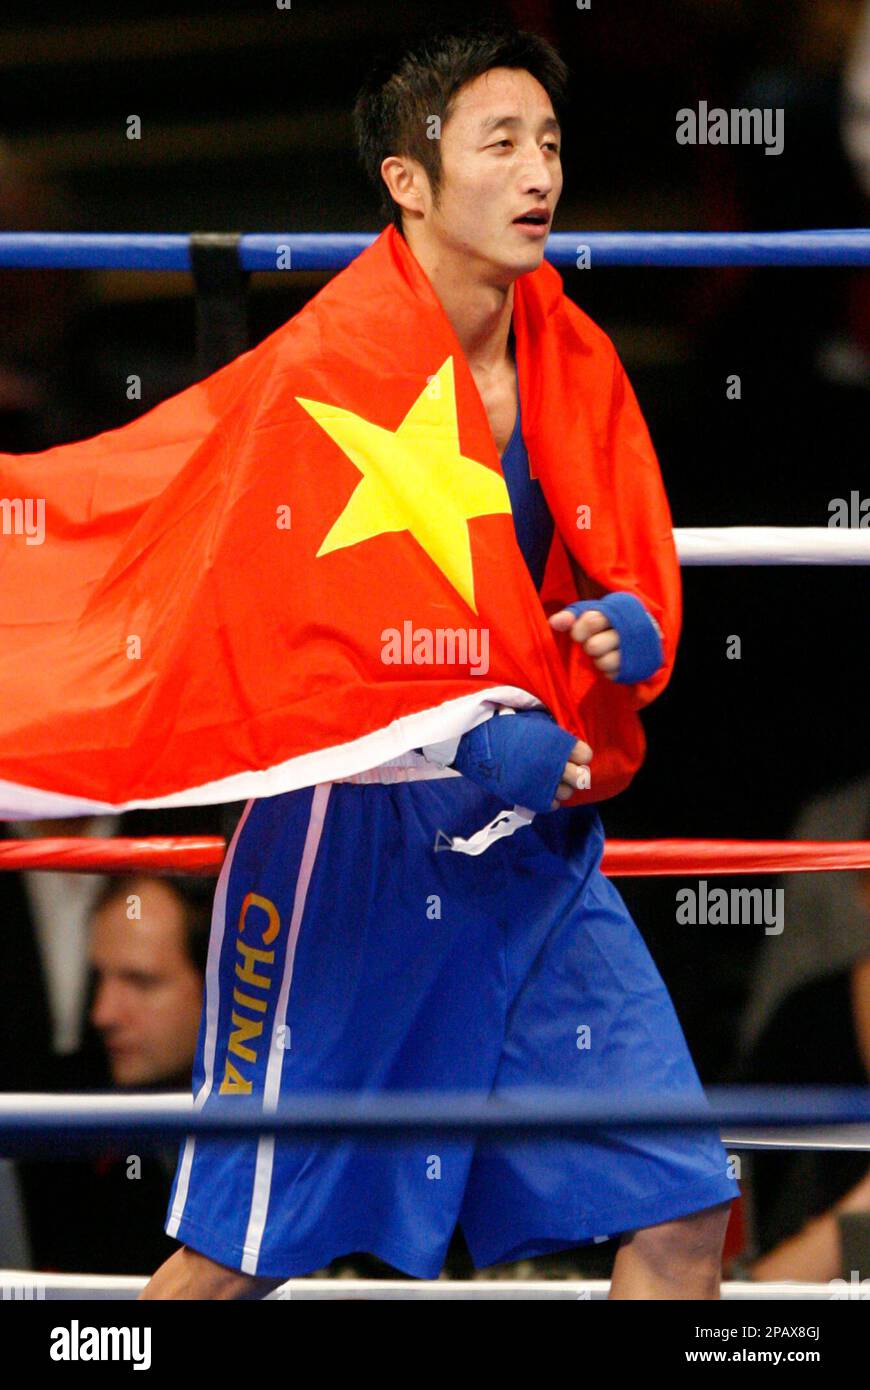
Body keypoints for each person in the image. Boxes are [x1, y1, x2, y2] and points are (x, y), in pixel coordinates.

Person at [141, 23, 738, 1302]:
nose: (541, 175)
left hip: (529, 840)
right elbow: (286, 645)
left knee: (684, 1206)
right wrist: (455, 737)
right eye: (502, 143)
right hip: (352, 841)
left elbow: (620, 562)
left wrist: (626, 631)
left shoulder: (571, 354)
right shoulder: (322, 367)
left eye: (553, 144)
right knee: (231, 1260)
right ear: (409, 181)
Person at [18, 873, 212, 1275]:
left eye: (140, 982)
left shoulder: (297, 1116)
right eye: (100, 978)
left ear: (219, 983)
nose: (102, 1014)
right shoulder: (58, 1126)